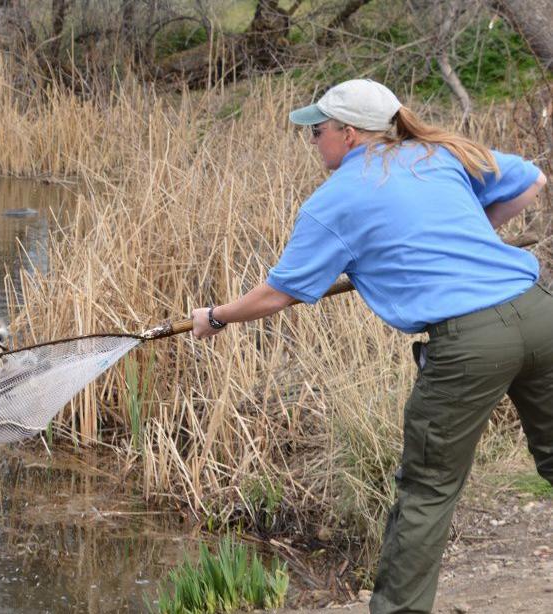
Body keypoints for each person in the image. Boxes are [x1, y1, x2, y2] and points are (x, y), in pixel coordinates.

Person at [190, 79, 550, 614]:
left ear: (349, 134)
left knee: (426, 492)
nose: (313, 140)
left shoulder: (334, 200)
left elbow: (278, 293)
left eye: (318, 131)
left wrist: (215, 316)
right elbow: (532, 180)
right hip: (540, 310)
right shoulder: (436, 154)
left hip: (470, 343)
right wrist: (470, 238)